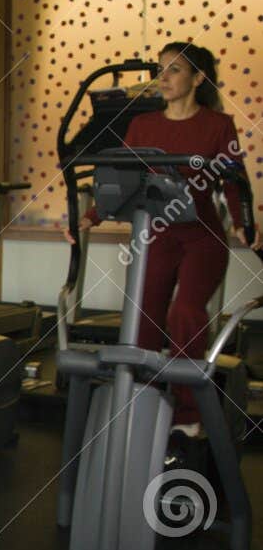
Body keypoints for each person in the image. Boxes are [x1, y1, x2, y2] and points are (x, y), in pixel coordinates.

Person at [66, 43, 260, 439]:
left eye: (173, 70)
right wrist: (89, 217)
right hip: (153, 235)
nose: (163, 78)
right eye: (160, 70)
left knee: (185, 312)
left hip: (201, 237)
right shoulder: (143, 126)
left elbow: (234, 181)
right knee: (143, 321)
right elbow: (122, 179)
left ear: (197, 78)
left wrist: (245, 225)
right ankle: (145, 402)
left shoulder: (218, 124)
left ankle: (188, 413)